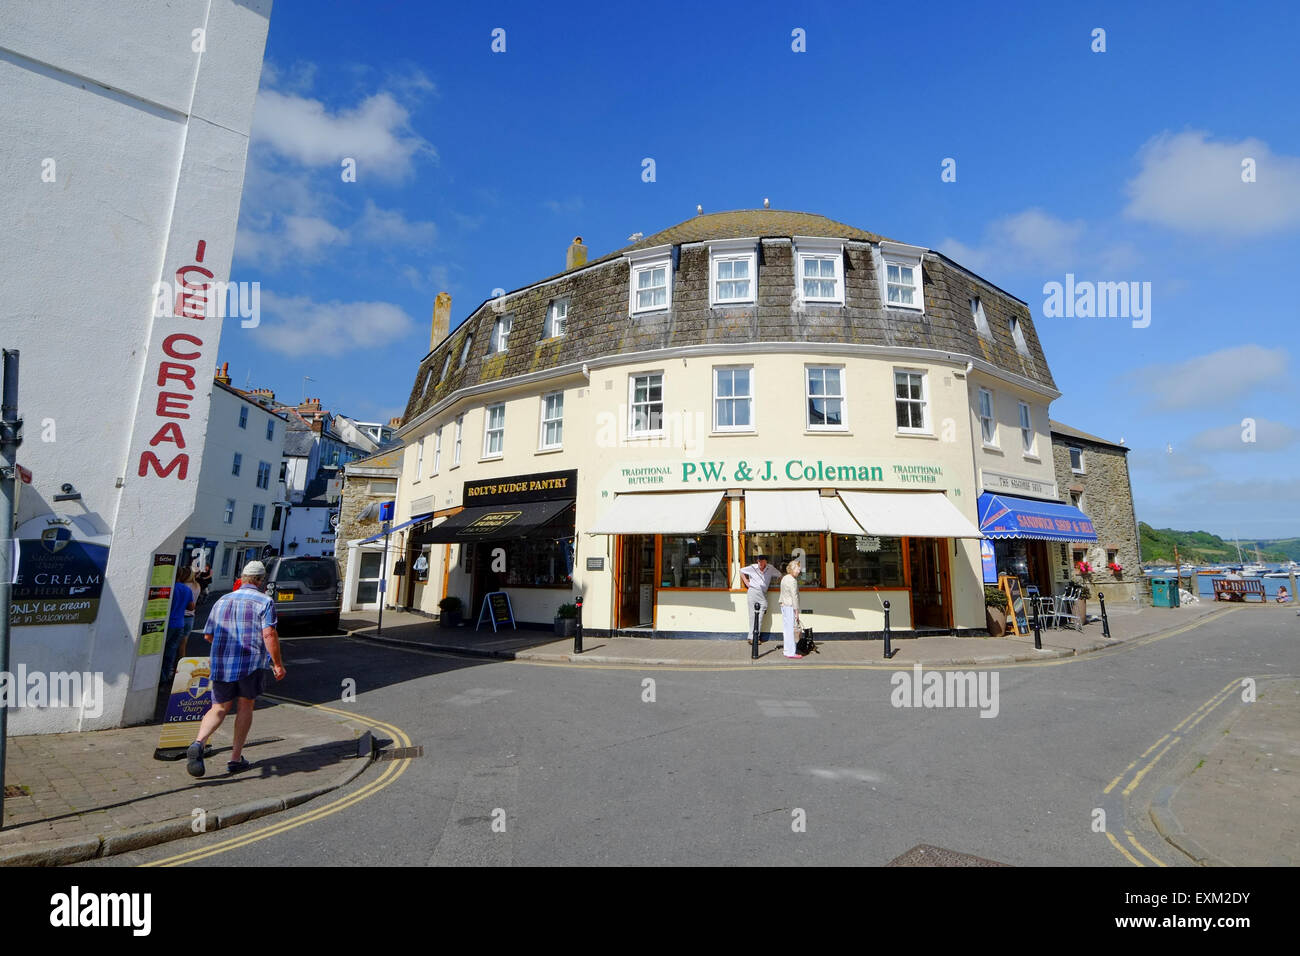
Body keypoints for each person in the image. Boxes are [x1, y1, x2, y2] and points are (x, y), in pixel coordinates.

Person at [186, 561, 287, 778]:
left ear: (243, 577)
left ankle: (198, 742)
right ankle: (235, 759)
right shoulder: (265, 601)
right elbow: (269, 634)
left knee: (218, 708)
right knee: (245, 707)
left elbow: (208, 635)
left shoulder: (222, 600)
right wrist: (277, 663)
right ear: (261, 580)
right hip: (250, 664)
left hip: (222, 664)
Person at [161, 567, 196, 683]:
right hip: (179, 623)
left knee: (160, 652)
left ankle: (159, 677)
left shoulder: (169, 588)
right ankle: (165, 677)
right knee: (171, 652)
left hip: (167, 624)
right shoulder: (186, 589)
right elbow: (191, 607)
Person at [738, 554, 781, 641]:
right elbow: (741, 571)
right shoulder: (752, 567)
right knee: (752, 615)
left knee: (760, 615)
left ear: (766, 561)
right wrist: (746, 582)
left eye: (762, 561)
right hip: (753, 591)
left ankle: (754, 636)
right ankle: (752, 638)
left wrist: (779, 583)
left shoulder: (770, 568)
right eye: (758, 561)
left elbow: (779, 575)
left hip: (763, 593)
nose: (760, 562)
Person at [780, 558, 803, 659]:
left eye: (799, 569)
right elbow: (794, 596)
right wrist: (797, 611)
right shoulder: (793, 580)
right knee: (790, 630)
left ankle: (786, 650)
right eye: (797, 569)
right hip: (790, 606)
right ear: (792, 569)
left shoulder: (785, 578)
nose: (799, 571)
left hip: (784, 605)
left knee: (786, 629)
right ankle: (791, 652)